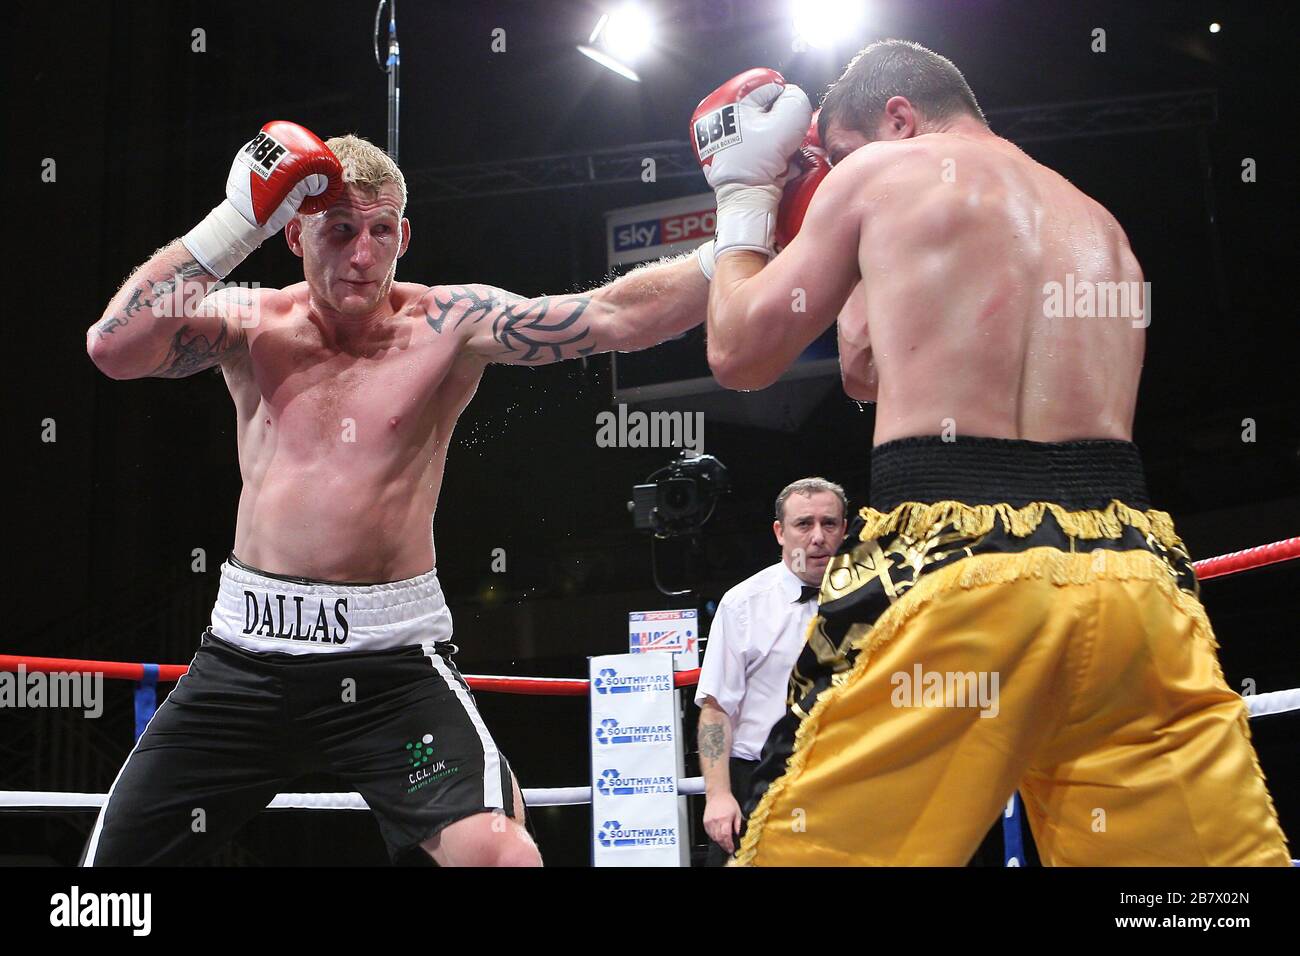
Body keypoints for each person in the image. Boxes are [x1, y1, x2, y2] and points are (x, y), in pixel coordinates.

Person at [693, 44, 1291, 865]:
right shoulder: (1102, 225)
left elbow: (740, 352)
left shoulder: (878, 178)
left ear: (898, 117)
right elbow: (871, 369)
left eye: (836, 158)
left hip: (955, 576)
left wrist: (745, 198)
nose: (831, 179)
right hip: (1137, 584)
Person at [82, 122, 716, 866]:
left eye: (381, 231)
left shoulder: (447, 325)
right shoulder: (252, 322)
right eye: (340, 229)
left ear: (404, 234)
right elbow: (114, 349)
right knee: (107, 883)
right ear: (292, 235)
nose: (362, 254)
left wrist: (740, 232)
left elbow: (615, 316)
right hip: (244, 659)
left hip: (391, 664)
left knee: (502, 856)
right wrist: (234, 223)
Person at [695, 478, 847, 865]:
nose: (817, 537)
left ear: (844, 529)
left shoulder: (871, 601)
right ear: (780, 532)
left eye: (829, 524)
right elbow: (715, 710)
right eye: (803, 524)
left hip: (846, 778)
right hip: (760, 781)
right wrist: (718, 796)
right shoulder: (743, 604)